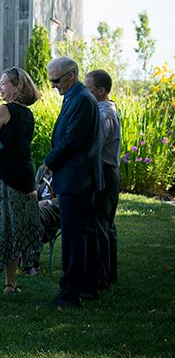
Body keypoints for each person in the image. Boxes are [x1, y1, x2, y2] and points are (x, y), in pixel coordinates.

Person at [0, 67, 42, 296]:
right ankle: (10, 283)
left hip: (2, 176)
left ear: (16, 86)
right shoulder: (28, 113)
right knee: (13, 230)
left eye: (3, 83)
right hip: (25, 177)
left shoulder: (4, 110)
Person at [44, 56, 102, 308]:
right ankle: (88, 286)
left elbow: (72, 140)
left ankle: (70, 293)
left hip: (77, 179)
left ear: (71, 75)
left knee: (73, 236)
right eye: (51, 81)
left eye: (56, 80)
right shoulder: (74, 97)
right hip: (75, 177)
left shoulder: (82, 99)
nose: (54, 85)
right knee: (82, 234)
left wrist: (49, 162)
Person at [85, 69, 121, 289]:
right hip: (110, 172)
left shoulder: (104, 114)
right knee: (106, 223)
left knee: (100, 223)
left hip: (105, 172)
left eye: (89, 89)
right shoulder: (106, 109)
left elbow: (94, 145)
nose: (86, 93)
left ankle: (101, 276)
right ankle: (110, 272)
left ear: (101, 91)